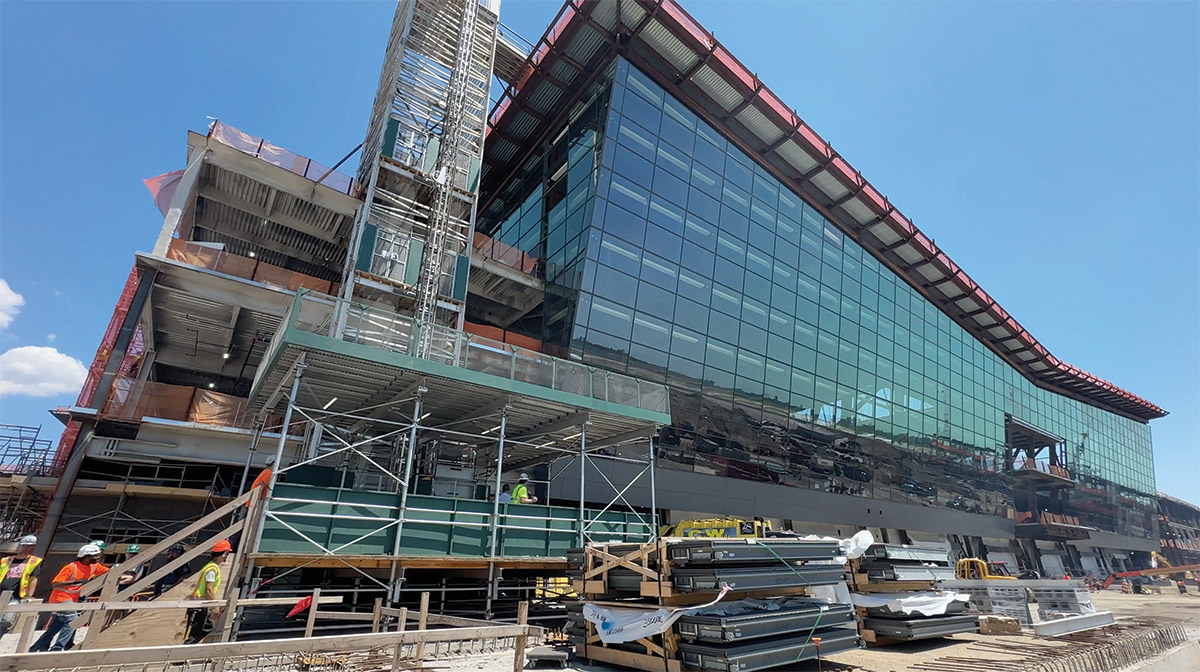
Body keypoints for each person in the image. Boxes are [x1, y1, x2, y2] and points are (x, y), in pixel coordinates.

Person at [30, 543, 108, 652]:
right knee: (73, 620)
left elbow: (109, 572)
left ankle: (37, 647)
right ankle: (58, 647)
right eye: (95, 556)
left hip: (71, 600)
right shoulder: (71, 567)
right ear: (86, 557)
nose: (98, 558)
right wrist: (75, 582)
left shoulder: (94, 566)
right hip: (60, 599)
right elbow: (55, 584)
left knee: (57, 625)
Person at [185, 540, 231, 644]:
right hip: (199, 605)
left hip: (199, 604)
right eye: (227, 553)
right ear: (224, 554)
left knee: (206, 628)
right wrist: (215, 607)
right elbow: (209, 589)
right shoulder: (212, 569)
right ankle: (182, 653)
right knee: (195, 635)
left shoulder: (210, 566)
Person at [0, 534, 42, 635]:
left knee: (7, 620)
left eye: (30, 546)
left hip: (15, 595)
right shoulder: (6, 560)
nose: (26, 548)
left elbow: (33, 579)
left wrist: (29, 596)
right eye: (24, 546)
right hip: (1, 592)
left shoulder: (34, 562)